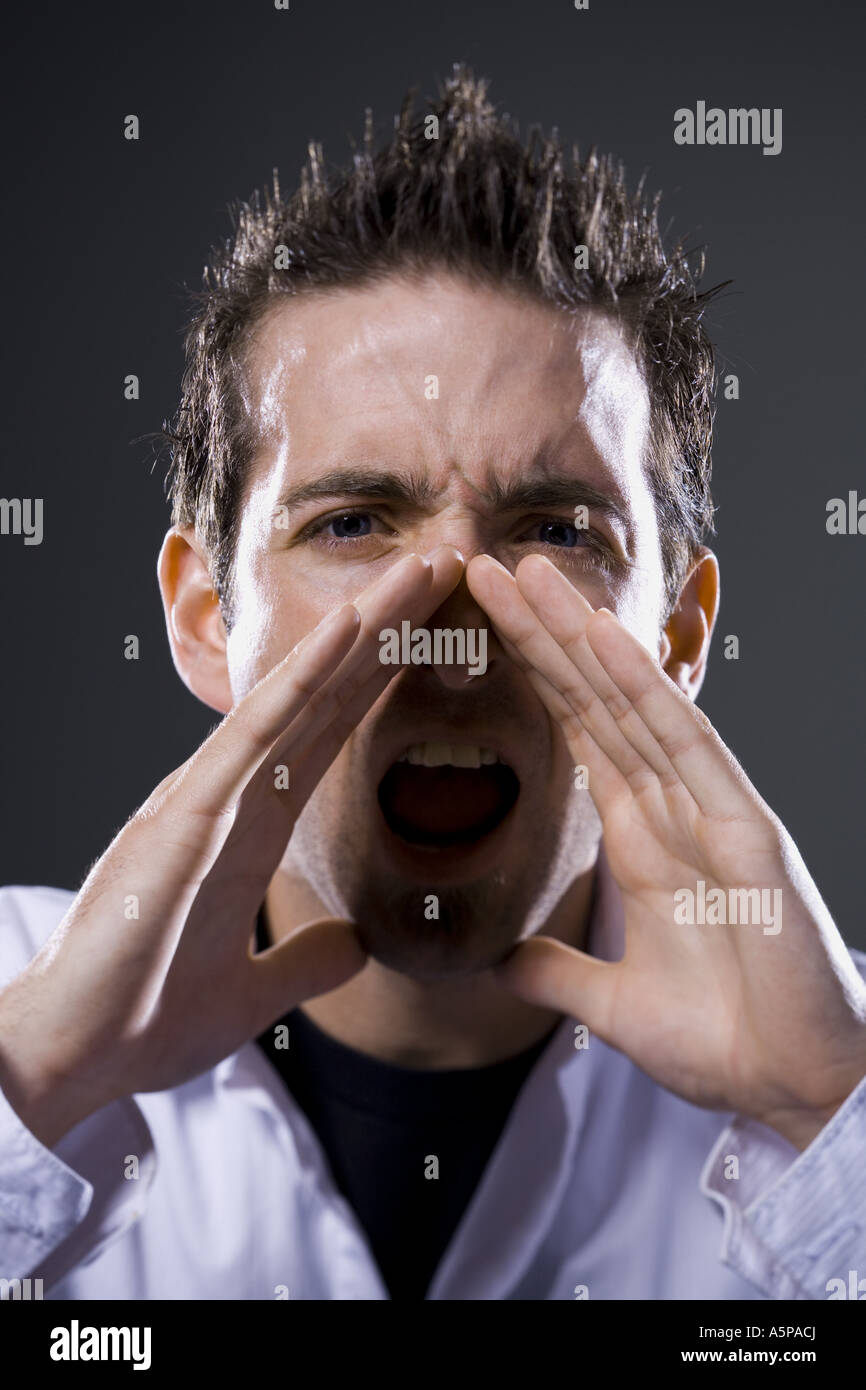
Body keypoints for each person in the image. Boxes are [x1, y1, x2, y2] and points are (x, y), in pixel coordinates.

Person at [1, 65, 864, 1302]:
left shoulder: (838, 1067)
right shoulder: (7, 1006)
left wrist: (827, 1112)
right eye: (353, 521)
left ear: (675, 635)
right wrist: (31, 1088)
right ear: (204, 617)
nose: (449, 624)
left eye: (558, 529)